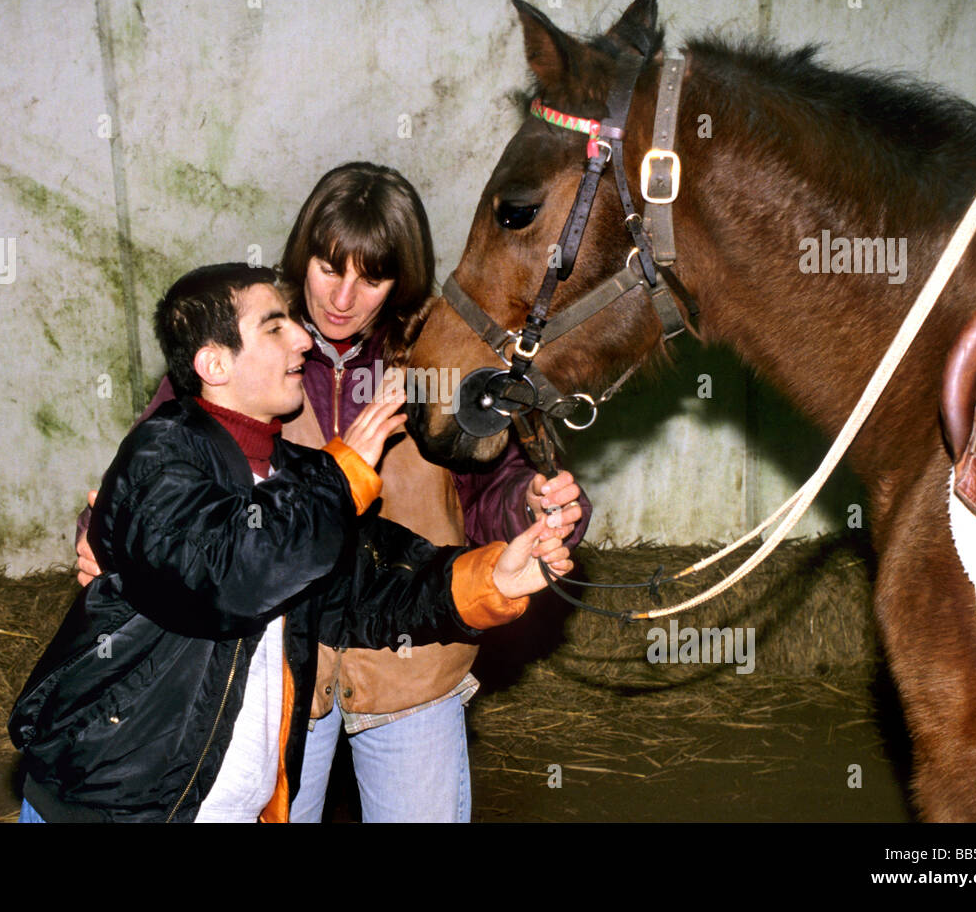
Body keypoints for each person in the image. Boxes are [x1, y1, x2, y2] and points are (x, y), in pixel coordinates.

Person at [78, 163, 591, 822]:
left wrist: (534, 506)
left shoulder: (443, 356)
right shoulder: (248, 350)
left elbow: (491, 481)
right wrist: (98, 538)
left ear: (399, 280)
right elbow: (157, 480)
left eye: (371, 278)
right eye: (328, 268)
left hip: (415, 654)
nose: (343, 299)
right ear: (303, 258)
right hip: (284, 668)